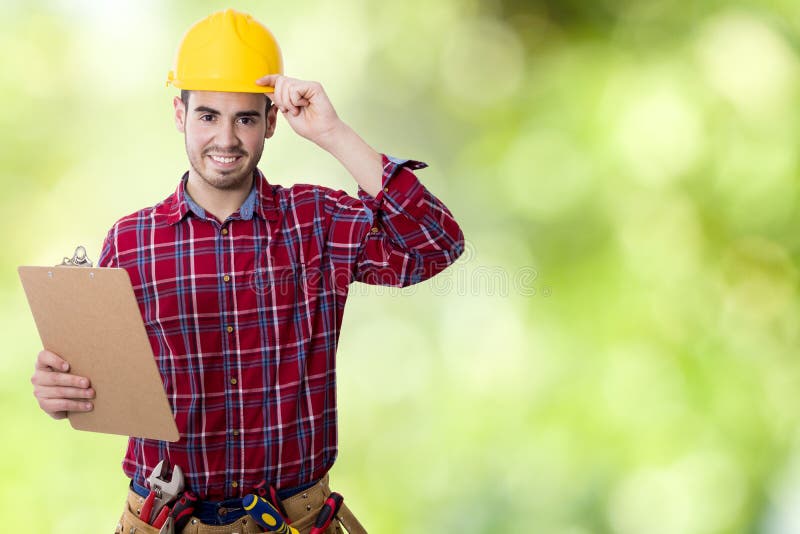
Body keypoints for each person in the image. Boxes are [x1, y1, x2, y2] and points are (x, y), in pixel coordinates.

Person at [29, 8, 463, 534]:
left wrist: (332, 132)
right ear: (179, 114)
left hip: (293, 521)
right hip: (166, 519)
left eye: (246, 118)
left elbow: (436, 244)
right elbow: (100, 382)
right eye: (208, 115)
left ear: (272, 121)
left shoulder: (316, 222)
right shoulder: (131, 242)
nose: (227, 138)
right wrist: (62, 393)